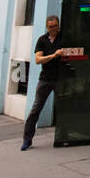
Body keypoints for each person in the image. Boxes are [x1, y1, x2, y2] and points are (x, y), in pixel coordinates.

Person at [21, 15, 67, 151]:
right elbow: (38, 59)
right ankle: (27, 139)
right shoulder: (42, 40)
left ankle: (63, 137)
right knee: (36, 109)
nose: (54, 29)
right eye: (51, 27)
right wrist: (54, 55)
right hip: (45, 79)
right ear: (47, 27)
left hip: (60, 78)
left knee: (63, 108)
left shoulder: (64, 38)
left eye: (56, 26)